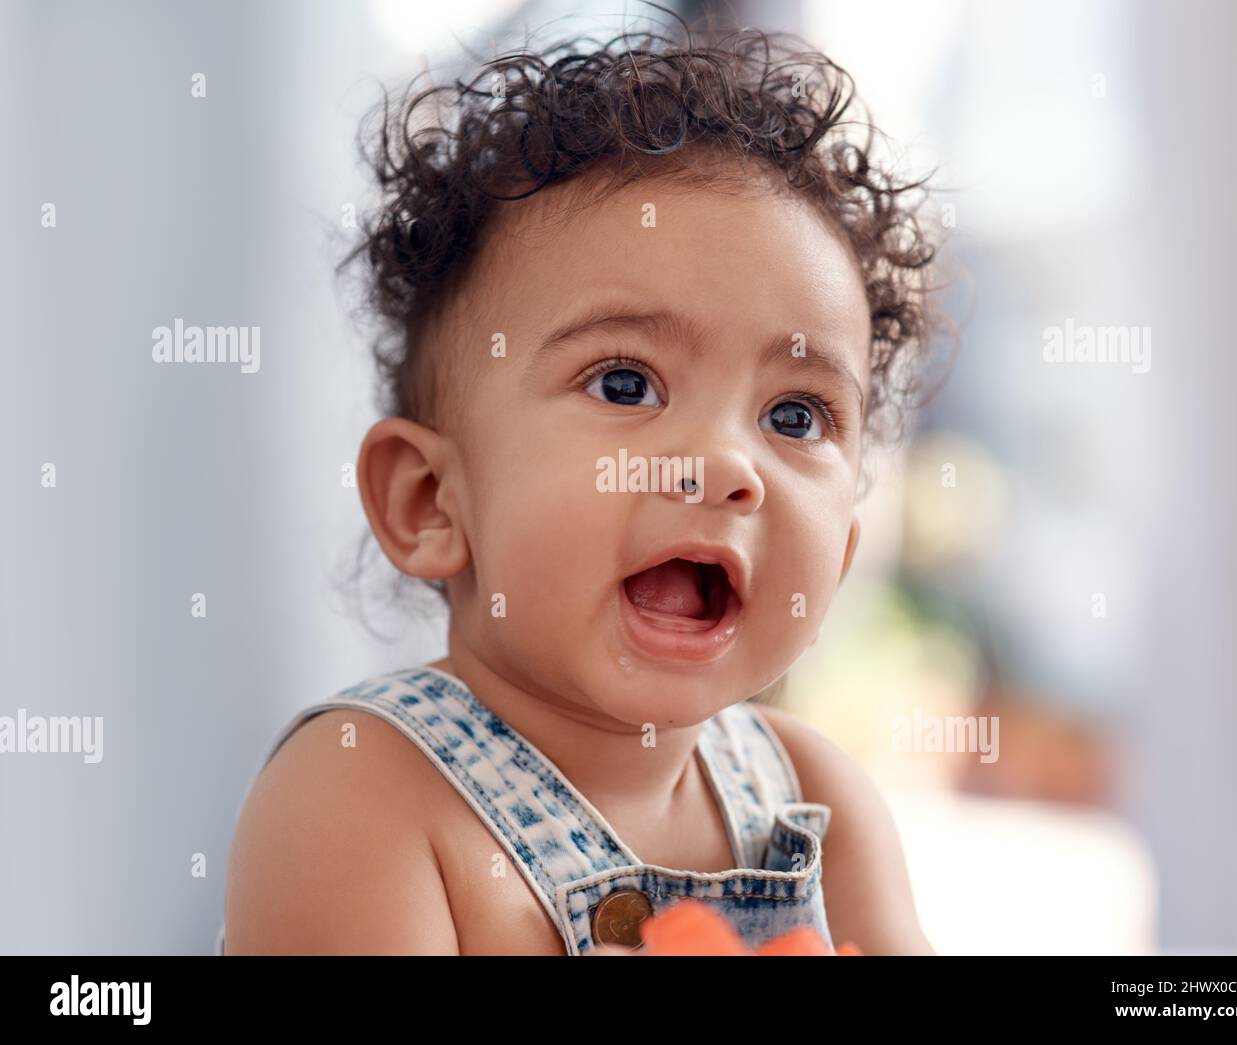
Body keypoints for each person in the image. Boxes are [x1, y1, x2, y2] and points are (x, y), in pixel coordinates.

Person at [222, 16, 939, 956]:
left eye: (795, 416)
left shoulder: (819, 799)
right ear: (430, 501)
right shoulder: (363, 795)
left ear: (843, 553)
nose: (726, 466)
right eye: (625, 383)